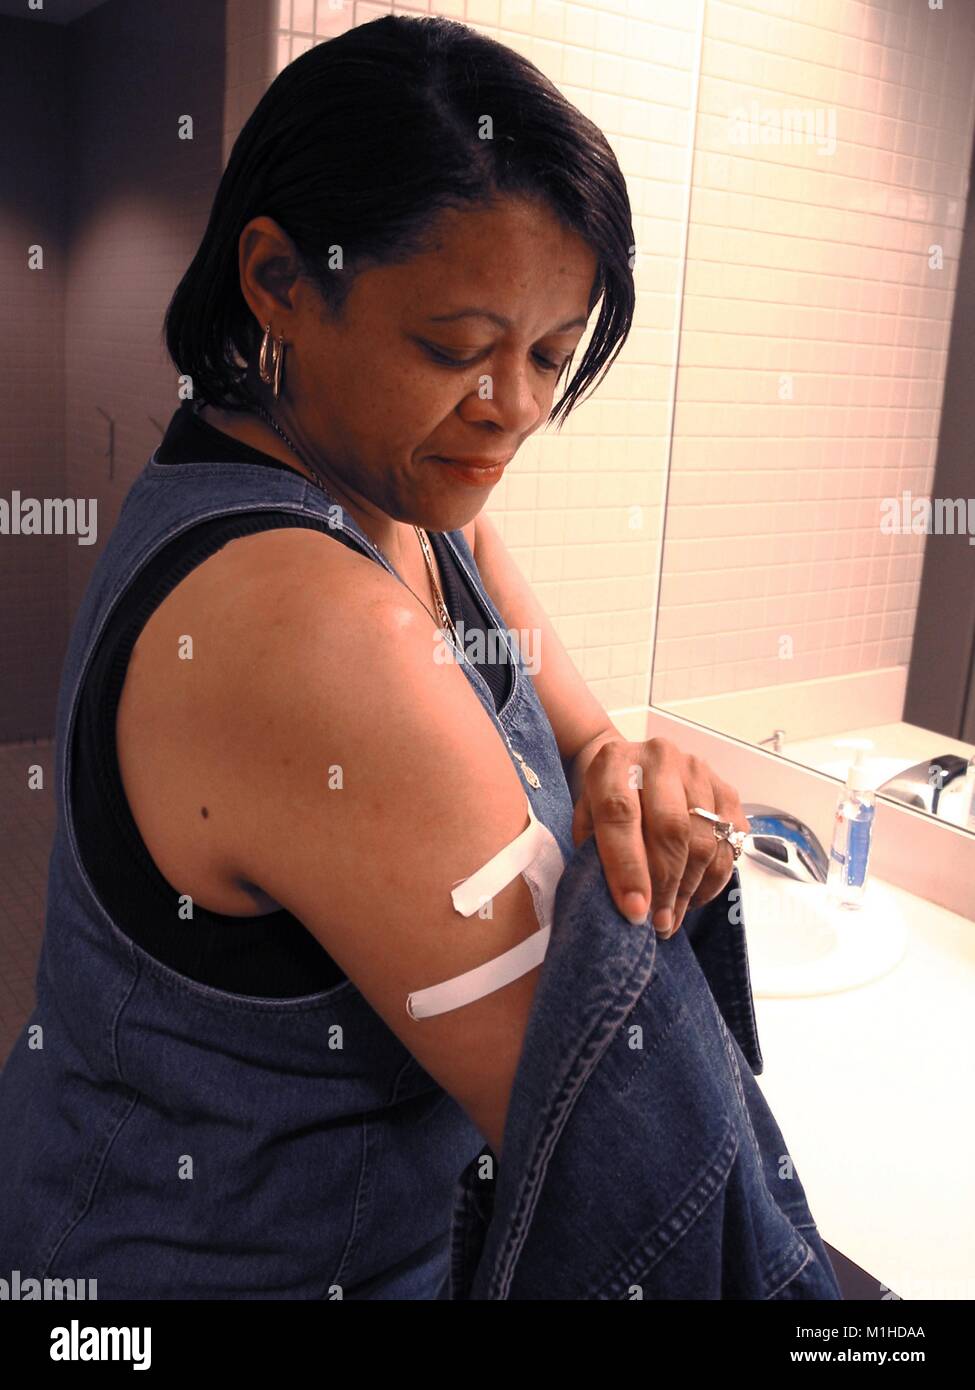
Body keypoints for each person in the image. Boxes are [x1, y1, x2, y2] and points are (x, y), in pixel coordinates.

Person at [0, 14, 749, 1299]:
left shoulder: (406, 502)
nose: (512, 409)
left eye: (551, 357)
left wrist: (633, 776)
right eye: (455, 350)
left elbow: (582, 740)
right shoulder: (306, 627)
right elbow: (624, 1156)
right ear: (280, 278)